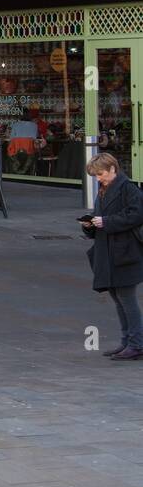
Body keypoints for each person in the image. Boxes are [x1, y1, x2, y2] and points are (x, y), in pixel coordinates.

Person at [82, 153, 143, 361]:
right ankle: (128, 342)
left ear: (112, 169)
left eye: (100, 174)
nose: (98, 178)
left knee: (127, 299)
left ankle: (136, 344)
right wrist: (90, 224)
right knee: (119, 299)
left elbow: (136, 215)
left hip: (125, 252)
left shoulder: (128, 189)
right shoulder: (104, 189)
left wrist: (105, 221)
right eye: (96, 175)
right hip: (109, 251)